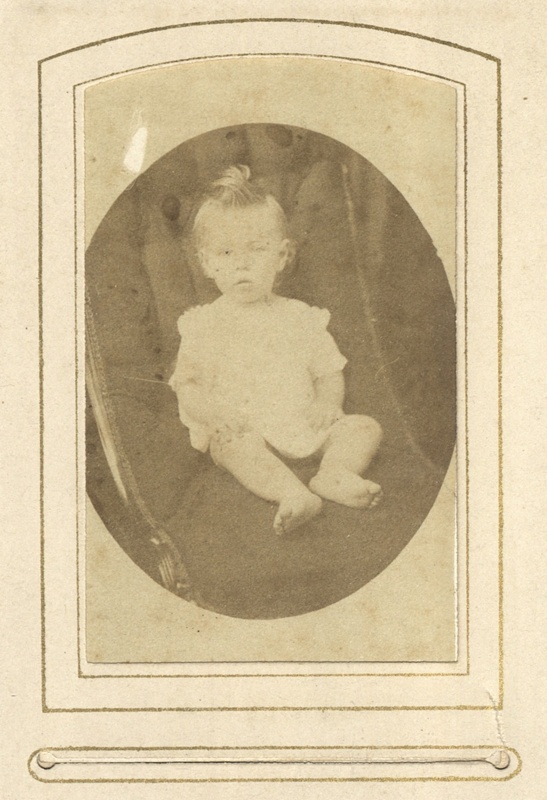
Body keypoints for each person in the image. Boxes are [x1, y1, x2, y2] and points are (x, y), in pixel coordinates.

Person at [169, 165, 382, 534]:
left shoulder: (302, 317)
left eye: (257, 249)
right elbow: (187, 387)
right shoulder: (202, 325)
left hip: (304, 423)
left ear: (282, 256)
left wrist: (326, 403)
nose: (242, 263)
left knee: (365, 427)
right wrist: (215, 414)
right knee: (232, 447)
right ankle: (291, 493)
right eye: (226, 252)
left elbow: (328, 371)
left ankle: (334, 473)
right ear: (206, 262)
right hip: (246, 428)